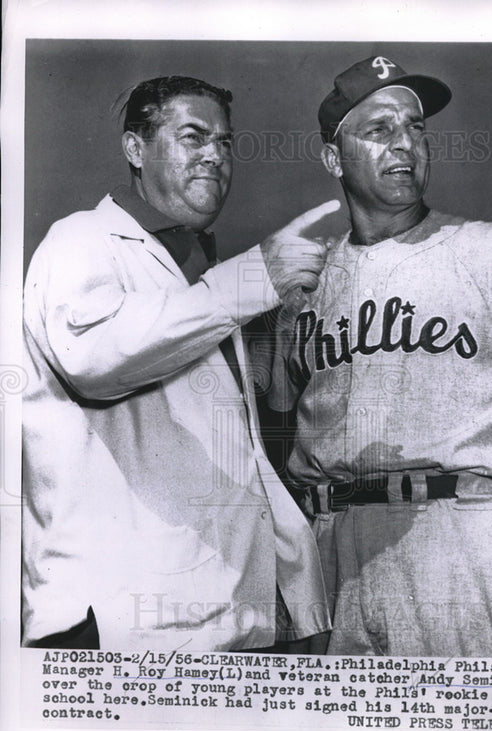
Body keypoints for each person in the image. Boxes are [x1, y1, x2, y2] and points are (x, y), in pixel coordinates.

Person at [267, 56, 492, 657]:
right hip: (329, 551)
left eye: (416, 128)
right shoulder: (302, 287)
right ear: (334, 159)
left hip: (461, 538)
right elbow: (275, 425)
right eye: (379, 130)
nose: (405, 143)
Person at [22, 75, 338, 650]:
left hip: (225, 621)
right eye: (193, 136)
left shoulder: (195, 273)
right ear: (135, 149)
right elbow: (93, 359)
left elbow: (240, 461)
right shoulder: (82, 239)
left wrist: (301, 594)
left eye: (225, 141)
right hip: (122, 626)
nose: (216, 155)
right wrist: (252, 278)